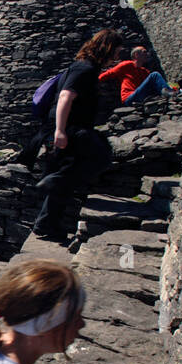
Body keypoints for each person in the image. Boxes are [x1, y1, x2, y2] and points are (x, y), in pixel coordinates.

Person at [28, 28, 123, 242]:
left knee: (65, 175)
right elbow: (64, 97)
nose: (117, 58)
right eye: (116, 52)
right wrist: (60, 131)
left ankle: (46, 224)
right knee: (102, 154)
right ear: (106, 49)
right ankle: (56, 182)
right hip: (70, 128)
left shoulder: (81, 67)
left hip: (66, 127)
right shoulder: (85, 69)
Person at [99, 46, 177, 104]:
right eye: (144, 52)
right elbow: (107, 74)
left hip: (141, 95)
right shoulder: (127, 65)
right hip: (129, 97)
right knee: (155, 75)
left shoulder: (145, 71)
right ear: (136, 54)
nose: (147, 54)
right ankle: (169, 93)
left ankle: (170, 91)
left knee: (155, 80)